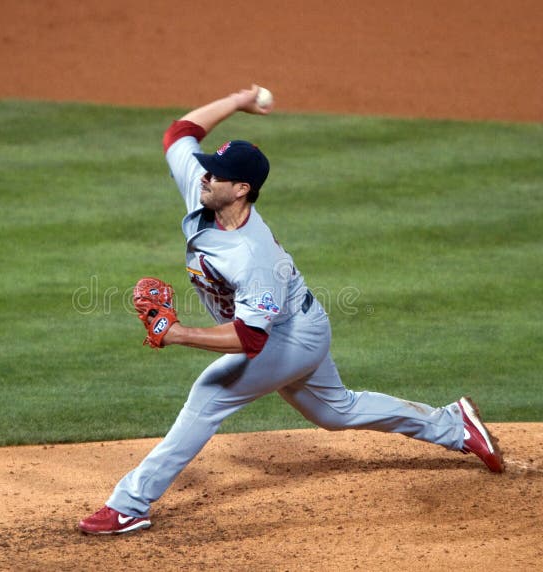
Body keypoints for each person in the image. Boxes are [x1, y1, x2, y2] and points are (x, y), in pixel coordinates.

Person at [78, 85, 505, 535]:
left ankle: (130, 504)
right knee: (334, 412)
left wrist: (177, 332)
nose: (203, 177)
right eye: (205, 171)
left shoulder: (253, 255)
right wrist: (238, 101)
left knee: (208, 397)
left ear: (241, 190)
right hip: (299, 321)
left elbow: (250, 340)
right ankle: (453, 424)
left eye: (215, 175)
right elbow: (179, 132)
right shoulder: (207, 191)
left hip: (289, 337)